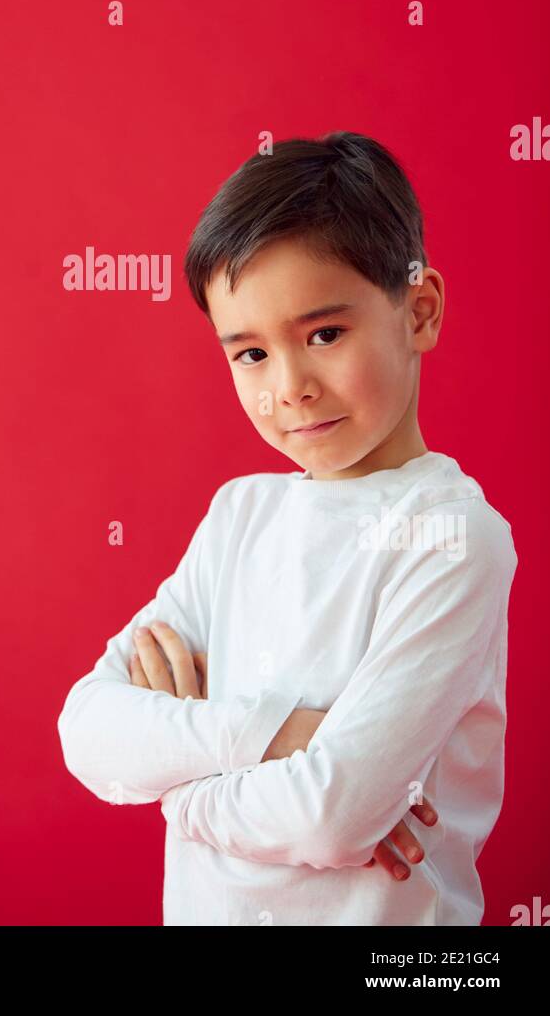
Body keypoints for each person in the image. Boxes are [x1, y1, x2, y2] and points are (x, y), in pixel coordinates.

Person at [56, 131, 516, 926]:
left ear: (419, 312)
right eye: (250, 354)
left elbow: (332, 815)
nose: (290, 387)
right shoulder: (240, 517)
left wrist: (177, 792)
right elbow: (88, 731)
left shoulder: (451, 537)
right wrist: (283, 735)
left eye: (324, 335)